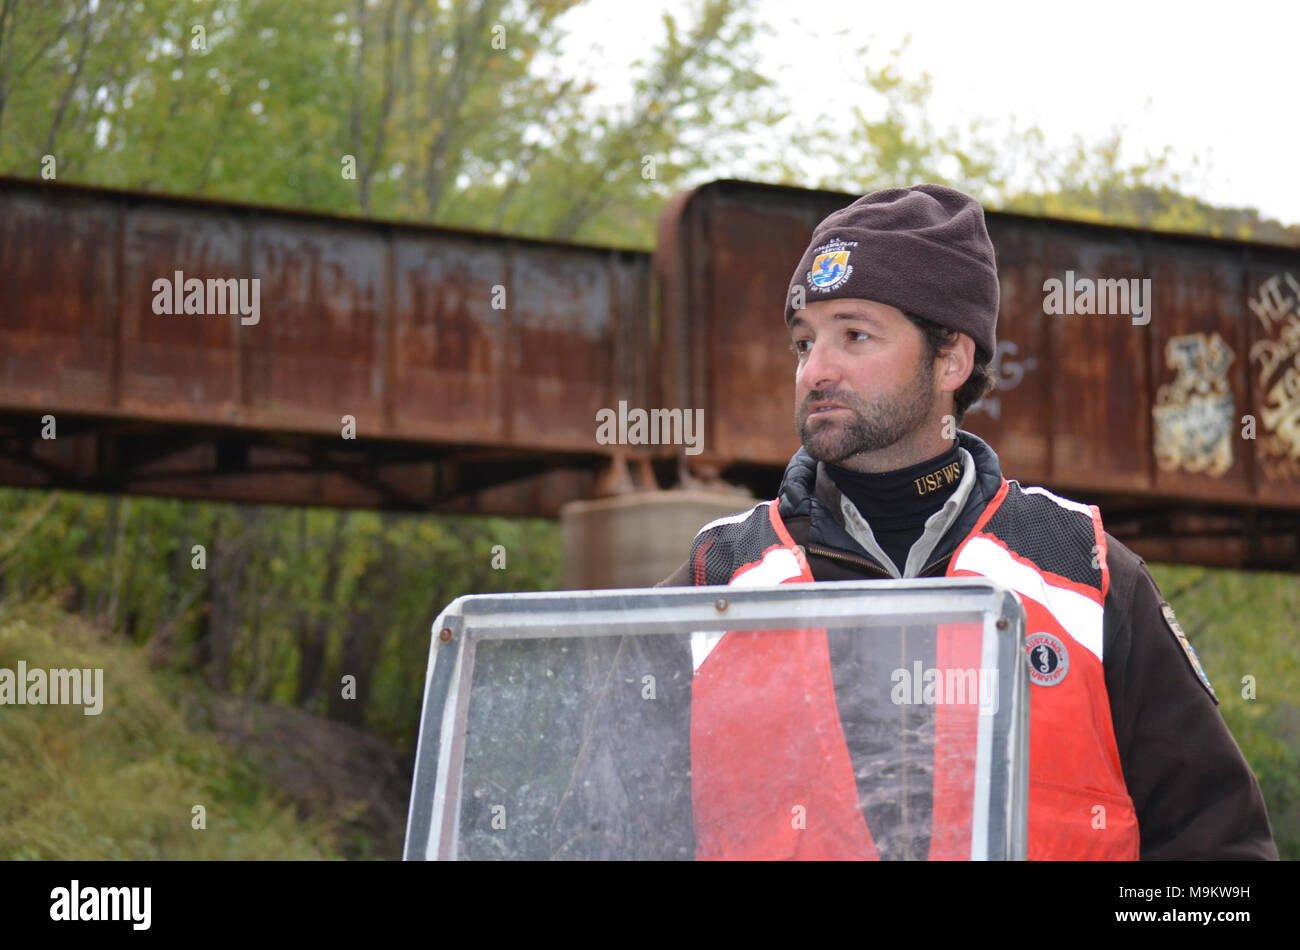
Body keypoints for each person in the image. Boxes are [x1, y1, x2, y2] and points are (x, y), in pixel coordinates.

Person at [655, 184, 1279, 860]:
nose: (815, 370)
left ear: (951, 358)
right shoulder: (712, 583)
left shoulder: (1087, 575)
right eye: (804, 342)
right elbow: (594, 834)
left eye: (854, 335)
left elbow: (1224, 860)